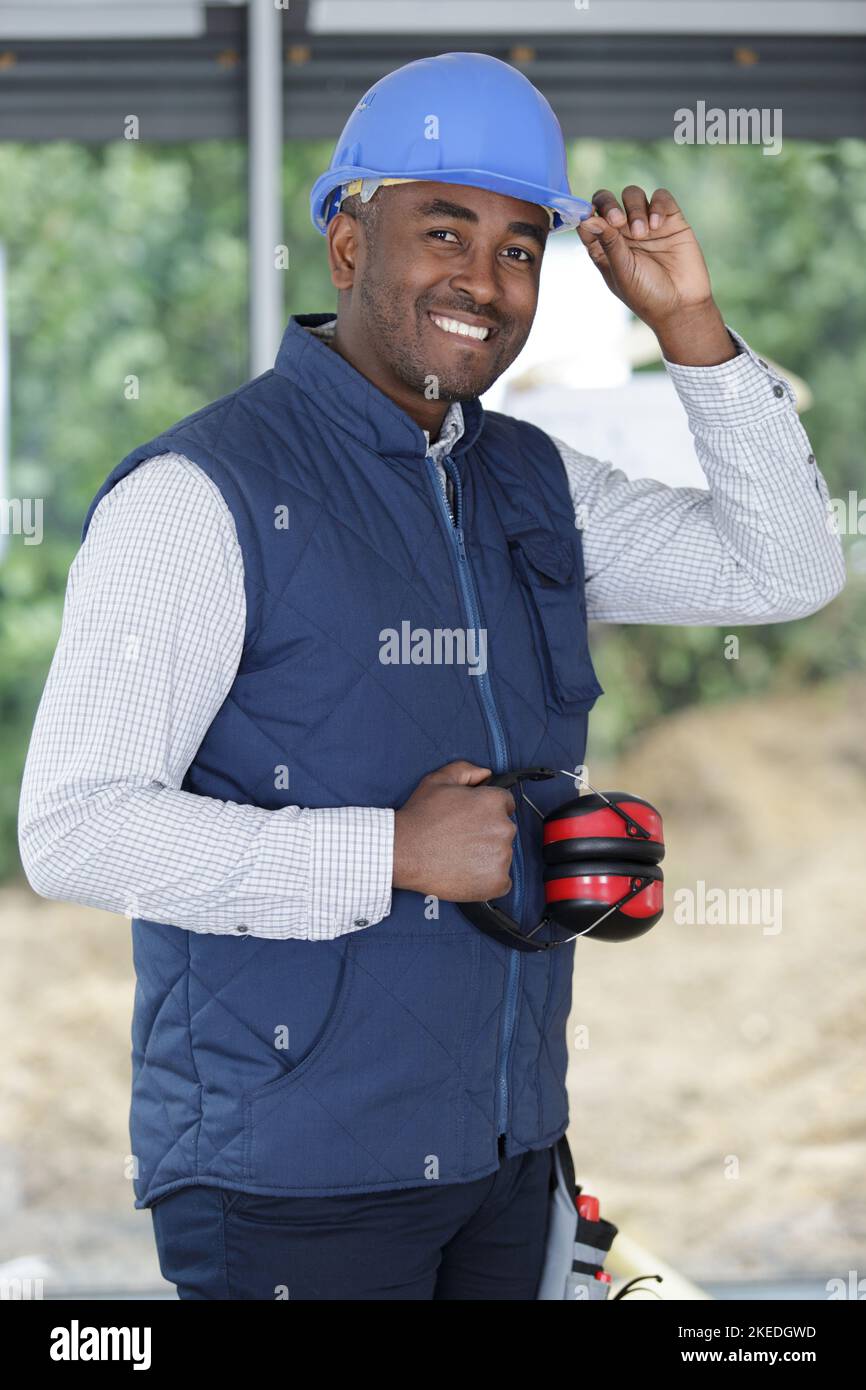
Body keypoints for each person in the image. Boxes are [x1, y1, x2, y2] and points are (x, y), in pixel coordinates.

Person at [18, 52, 844, 1300]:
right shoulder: (199, 497)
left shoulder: (532, 482)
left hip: (507, 1153)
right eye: (442, 231)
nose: (484, 281)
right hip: (288, 1182)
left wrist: (687, 328)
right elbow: (70, 831)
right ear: (348, 243)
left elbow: (783, 565)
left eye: (518, 248)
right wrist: (387, 854)